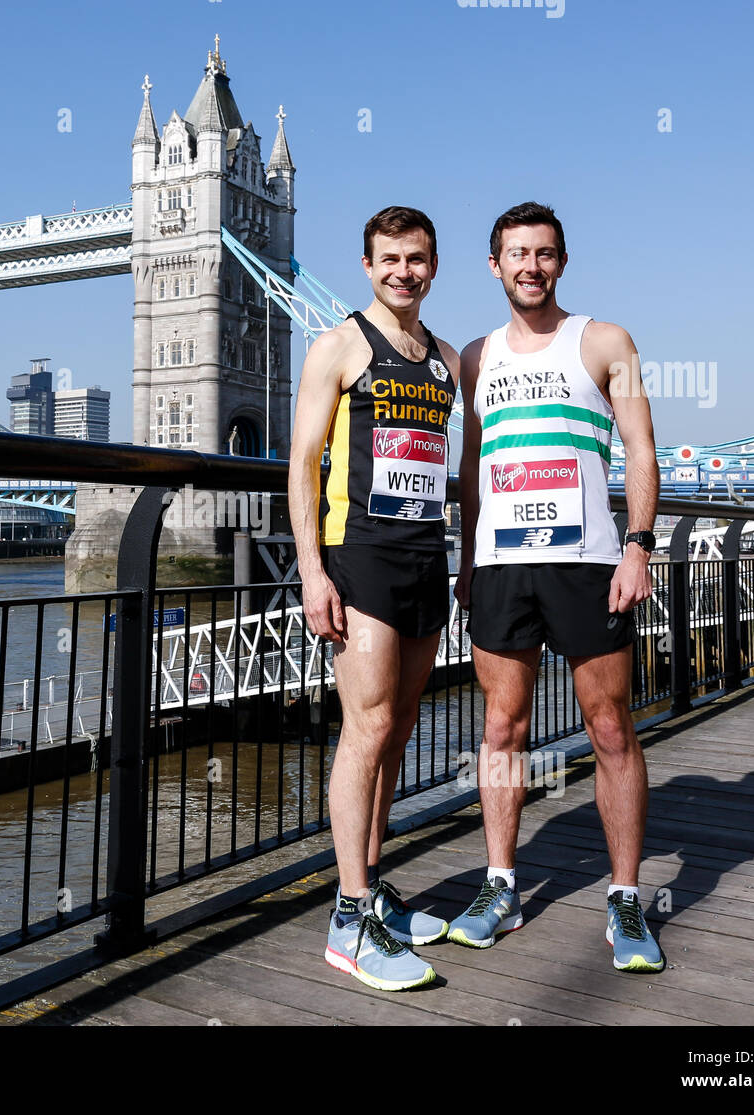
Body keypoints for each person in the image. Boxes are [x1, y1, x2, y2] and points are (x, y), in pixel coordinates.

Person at [450, 201, 664, 972]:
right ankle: (500, 885)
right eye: (516, 253)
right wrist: (468, 558)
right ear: (494, 265)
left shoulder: (608, 341)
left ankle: (627, 899)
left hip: (588, 561)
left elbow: (641, 450)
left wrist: (637, 546)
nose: (530, 266)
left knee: (610, 727)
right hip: (502, 566)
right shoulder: (472, 358)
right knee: (502, 729)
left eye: (543, 253)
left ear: (561, 263)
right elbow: (472, 468)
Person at [289, 206, 460, 991]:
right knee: (367, 728)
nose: (403, 272)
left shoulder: (446, 360)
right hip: (358, 558)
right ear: (366, 266)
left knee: (399, 730)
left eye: (416, 259)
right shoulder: (338, 345)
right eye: (389, 259)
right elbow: (303, 462)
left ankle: (373, 886)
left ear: (433, 265)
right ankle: (349, 916)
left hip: (426, 559)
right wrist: (311, 571)